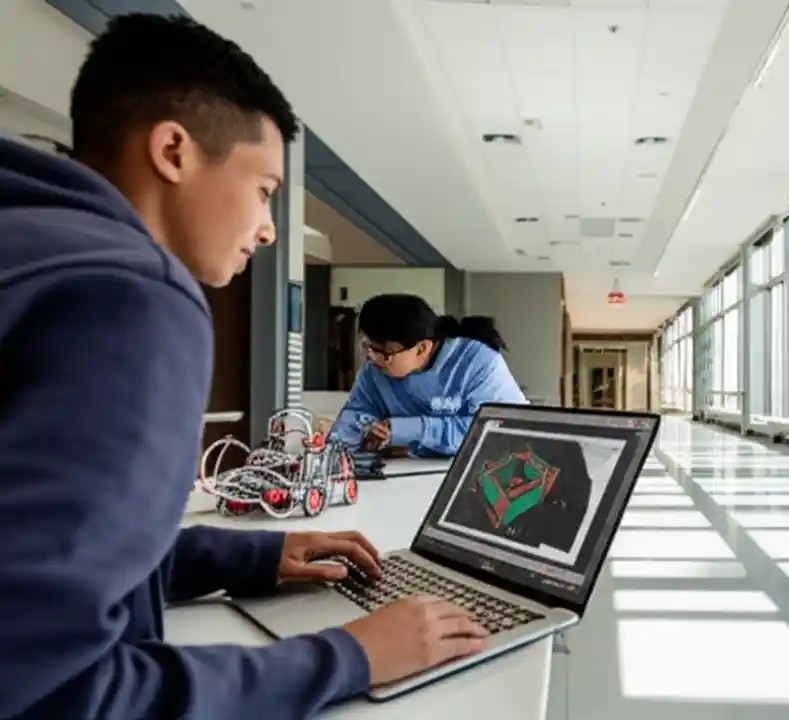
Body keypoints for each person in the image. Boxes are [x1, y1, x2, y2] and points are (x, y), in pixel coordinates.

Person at [0, 14, 487, 719]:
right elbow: (55, 692)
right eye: (263, 190)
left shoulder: (30, 244)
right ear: (174, 150)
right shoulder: (132, 296)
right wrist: (350, 655)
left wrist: (242, 557)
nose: (266, 228)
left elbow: (31, 564)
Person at [329, 293, 527, 458]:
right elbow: (354, 416)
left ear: (422, 349)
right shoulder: (375, 370)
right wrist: (349, 439)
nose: (372, 357)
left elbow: (490, 432)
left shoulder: (477, 362)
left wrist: (402, 431)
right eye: (368, 347)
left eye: (384, 352)